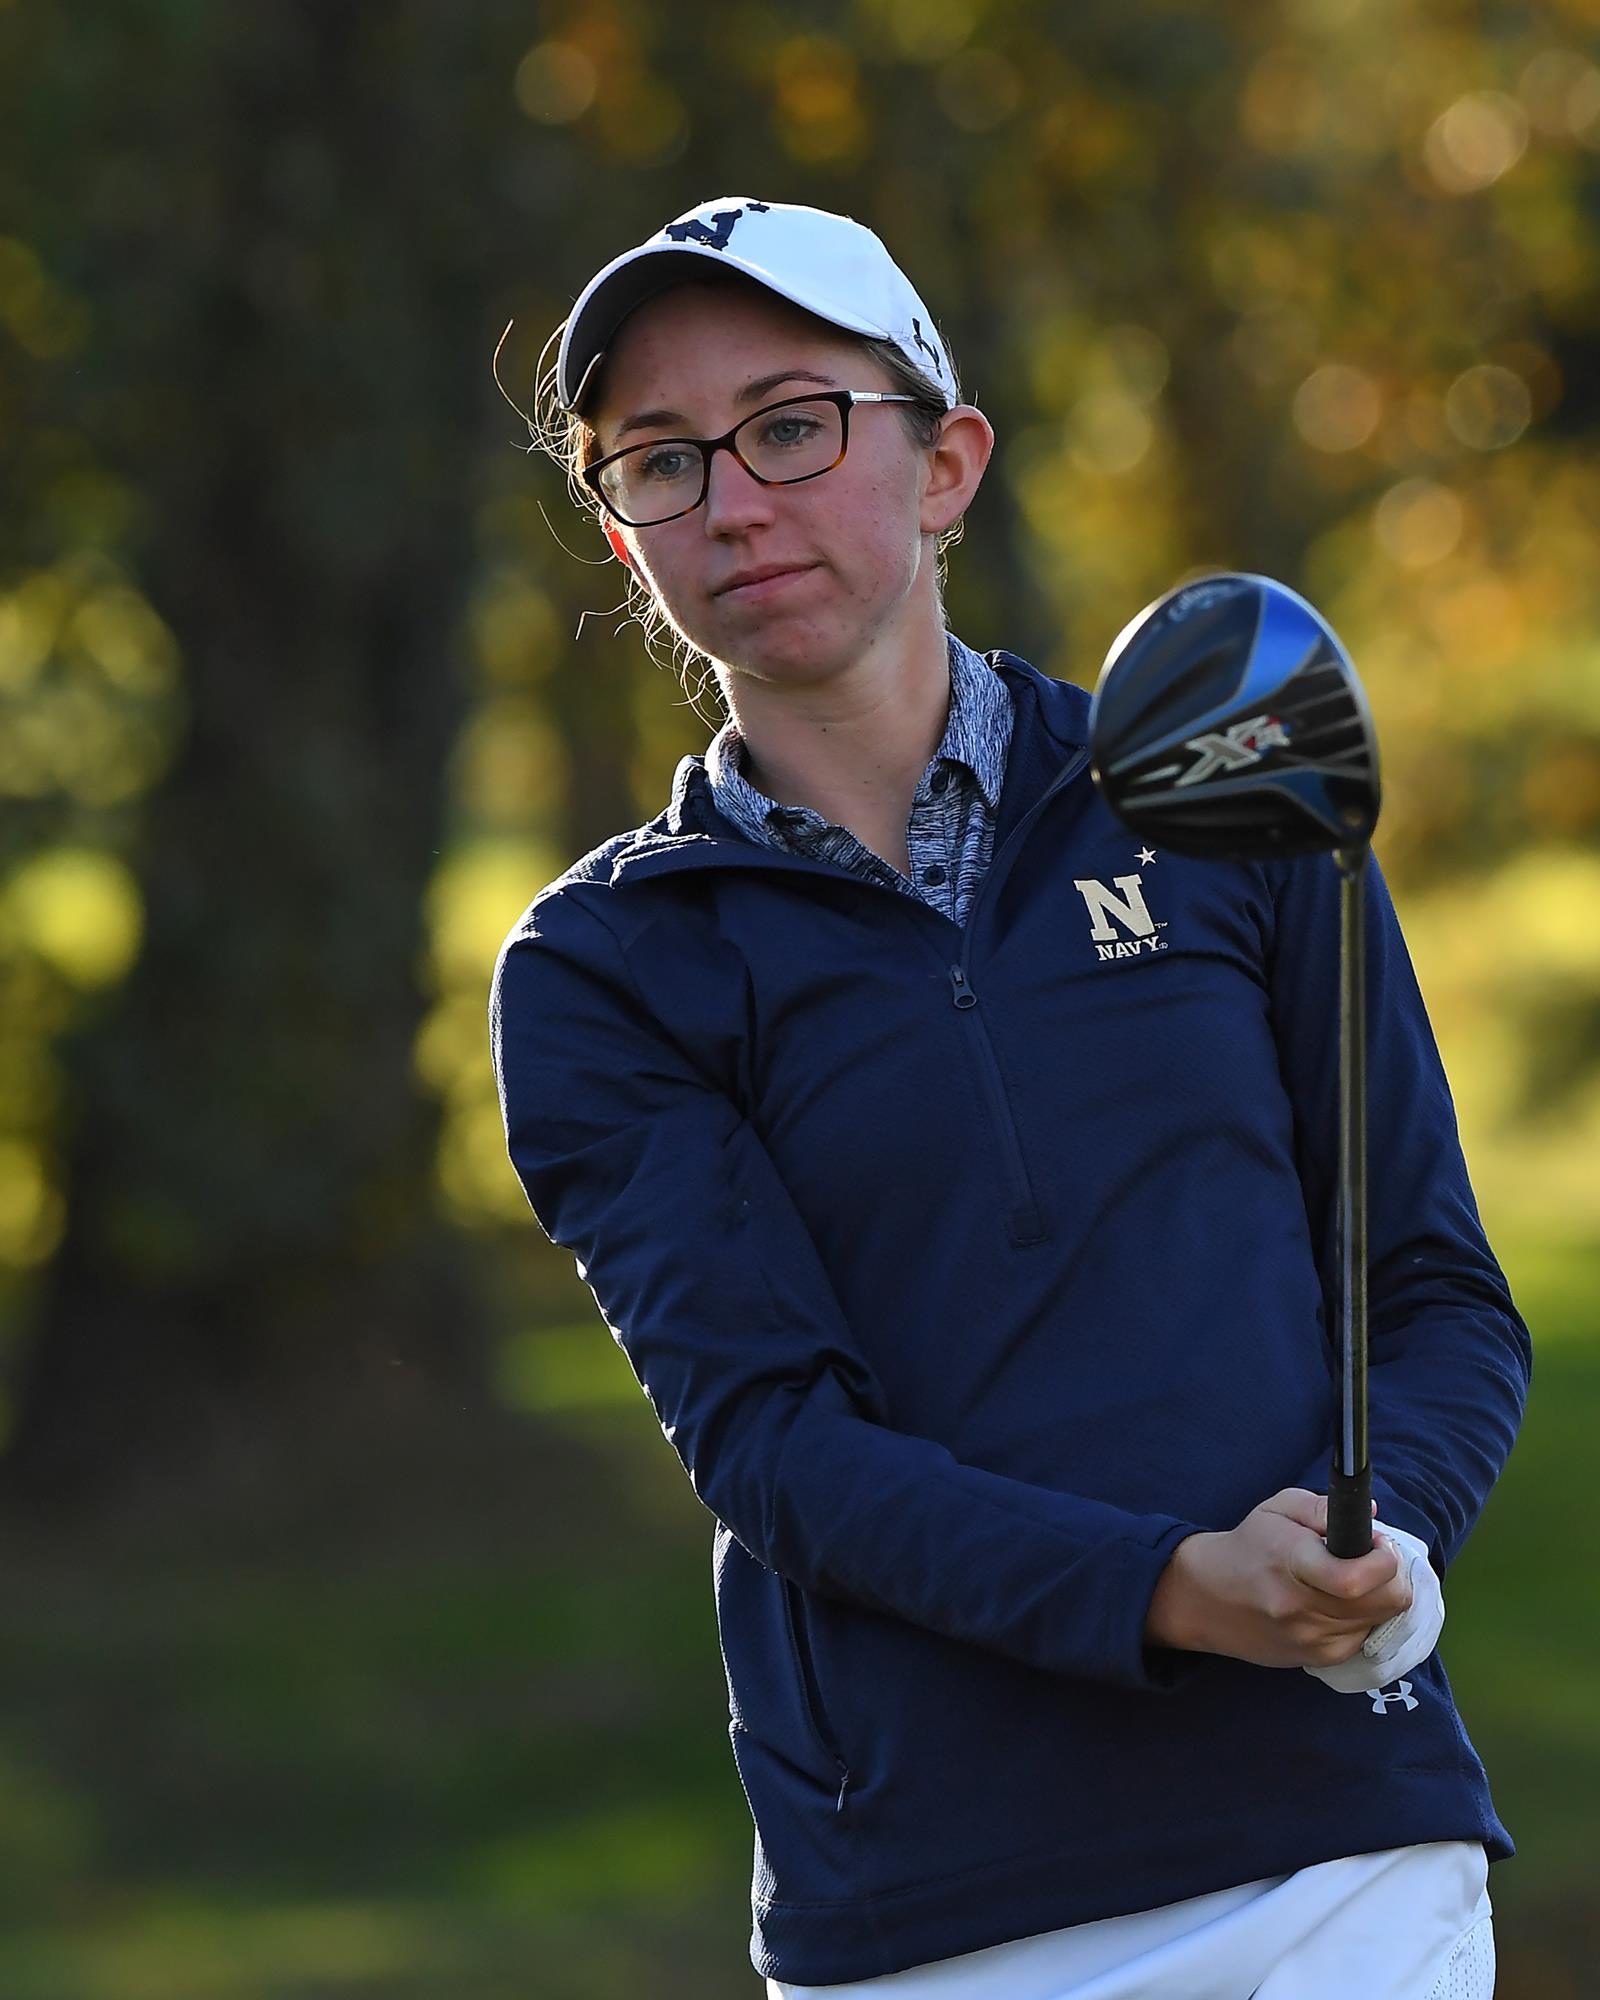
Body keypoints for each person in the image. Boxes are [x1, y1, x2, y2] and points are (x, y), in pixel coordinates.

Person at [489, 196, 1530, 1998]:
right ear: (621, 528)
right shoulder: (603, 966)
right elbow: (780, 1448)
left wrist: (1387, 1535)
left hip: (1341, 1848)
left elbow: (1433, 1294)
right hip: (933, 1909)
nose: (734, 499)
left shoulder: (1224, 779)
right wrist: (1169, 1590)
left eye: (793, 424)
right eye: (663, 461)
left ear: (947, 459)